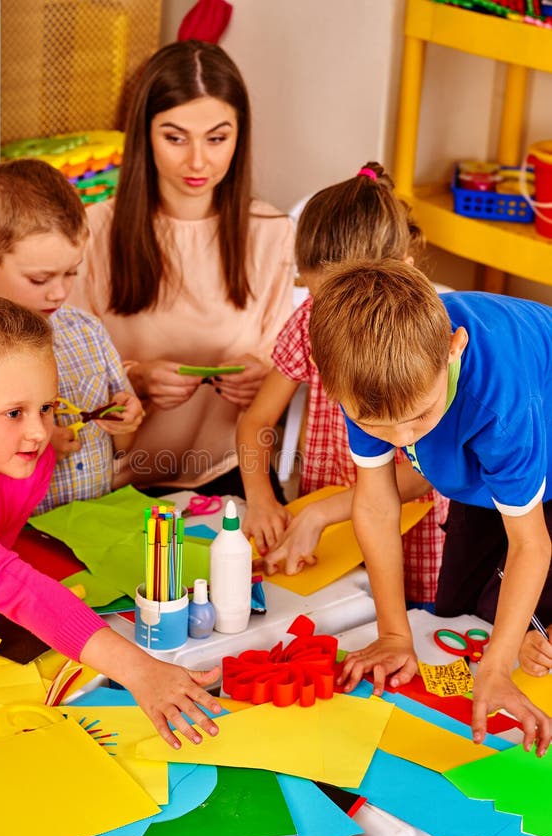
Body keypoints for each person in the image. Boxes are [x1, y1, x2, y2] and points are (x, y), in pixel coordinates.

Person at [0, 295, 220, 747]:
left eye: (45, 407)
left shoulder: (27, 466)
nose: (40, 432)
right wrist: (139, 670)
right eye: (14, 413)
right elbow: (12, 584)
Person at [308, 257, 552, 754]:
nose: (401, 438)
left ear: (453, 349)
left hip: (535, 444)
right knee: (458, 607)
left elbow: (530, 543)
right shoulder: (363, 371)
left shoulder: (498, 406)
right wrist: (394, 633)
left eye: (419, 416)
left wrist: (498, 664)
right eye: (379, 425)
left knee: (535, 637)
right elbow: (376, 506)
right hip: (482, 472)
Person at [69, 40, 294, 496]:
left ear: (239, 135)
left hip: (234, 473)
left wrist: (266, 381)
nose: (198, 161)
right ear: (144, 135)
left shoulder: (272, 232)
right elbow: (66, 374)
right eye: (175, 137)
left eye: (217, 138)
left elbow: (285, 362)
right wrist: (134, 379)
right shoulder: (93, 231)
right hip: (114, 483)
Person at [238, 164, 448, 609]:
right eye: (319, 298)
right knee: (336, 618)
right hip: (332, 527)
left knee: (409, 629)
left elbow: (421, 473)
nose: (328, 316)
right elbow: (257, 418)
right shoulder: (307, 323)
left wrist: (321, 512)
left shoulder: (428, 335)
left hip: (410, 526)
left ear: (401, 274)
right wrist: (259, 497)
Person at [0, 158, 144, 513]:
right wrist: (38, 450)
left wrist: (127, 420)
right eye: (39, 279)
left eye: (71, 273)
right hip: (17, 539)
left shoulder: (87, 331)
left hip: (96, 523)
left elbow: (122, 443)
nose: (58, 293)